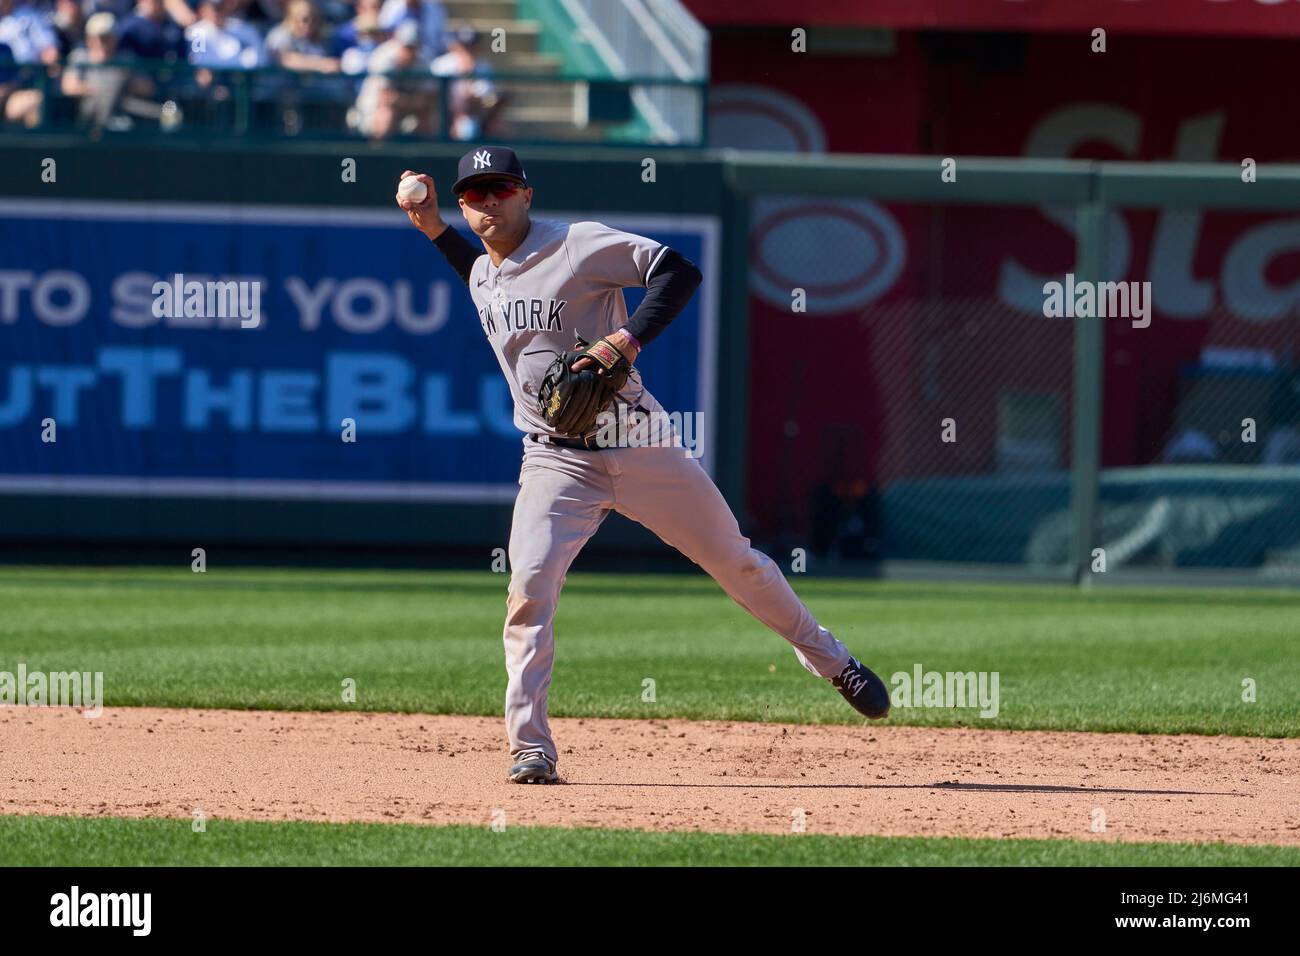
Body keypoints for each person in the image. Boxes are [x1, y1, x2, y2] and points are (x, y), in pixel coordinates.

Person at [395, 146, 892, 785]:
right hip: (553, 462)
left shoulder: (577, 245)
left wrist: (625, 337)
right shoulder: (483, 273)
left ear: (526, 193)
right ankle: (531, 748)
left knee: (737, 561)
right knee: (529, 590)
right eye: (476, 194)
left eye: (501, 189)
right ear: (464, 205)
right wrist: (434, 228)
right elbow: (484, 274)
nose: (489, 202)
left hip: (639, 440)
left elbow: (678, 271)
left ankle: (830, 658)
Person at [430, 25, 495, 141]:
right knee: (434, 120)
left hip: (471, 114)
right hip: (441, 112)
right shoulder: (441, 64)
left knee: (468, 128)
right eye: (464, 46)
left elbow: (485, 100)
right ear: (455, 46)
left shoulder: (483, 66)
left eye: (471, 46)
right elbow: (431, 96)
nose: (468, 51)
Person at [264, 0, 338, 73]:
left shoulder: (317, 37)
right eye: (305, 19)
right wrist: (321, 64)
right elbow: (286, 59)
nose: (309, 24)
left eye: (314, 19)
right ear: (292, 17)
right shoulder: (280, 35)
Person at [116, 0, 188, 61]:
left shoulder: (170, 24)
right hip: (140, 73)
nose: (156, 4)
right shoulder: (129, 26)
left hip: (170, 72)